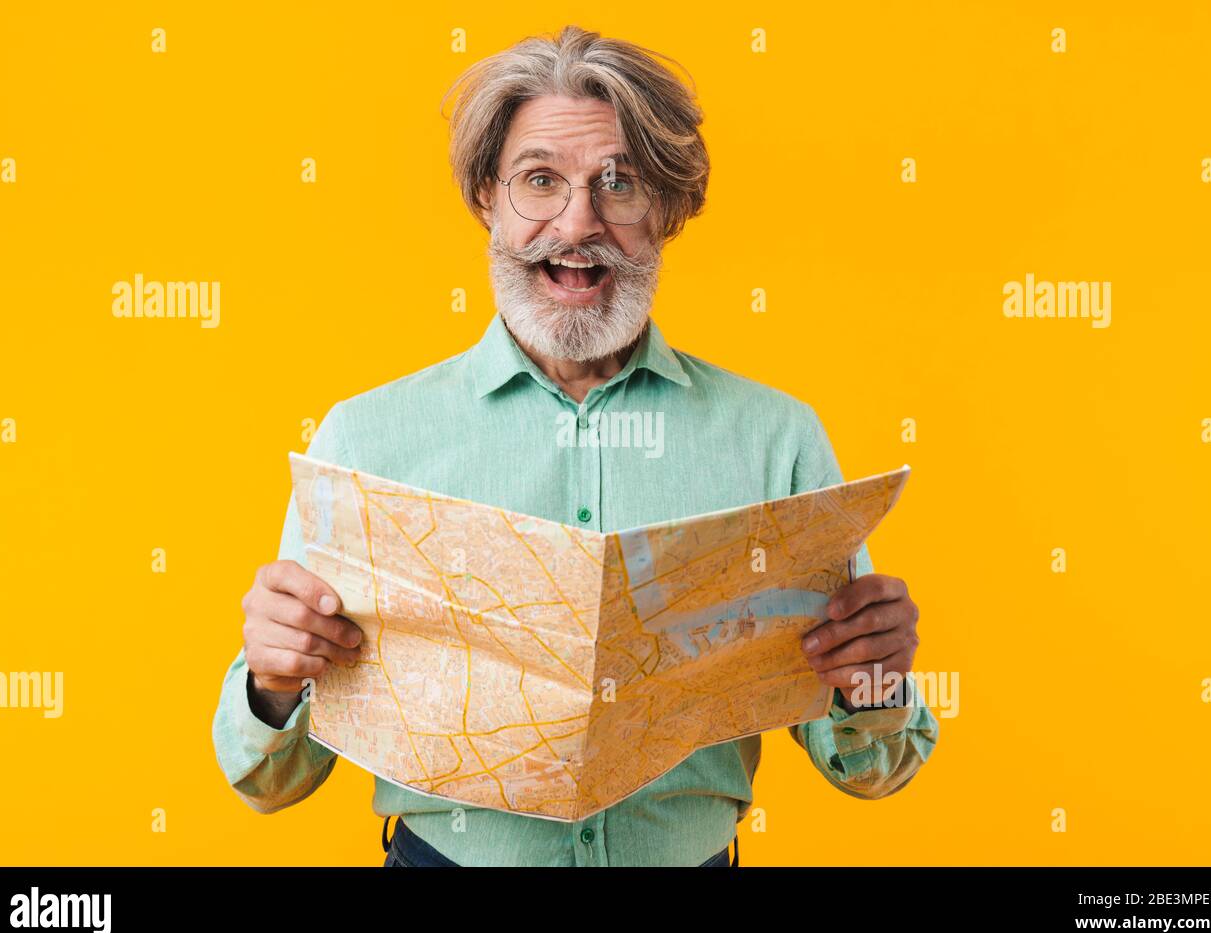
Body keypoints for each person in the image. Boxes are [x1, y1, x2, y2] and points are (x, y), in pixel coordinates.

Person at [213, 24, 939, 867]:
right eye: (540, 181)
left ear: (666, 209)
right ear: (489, 199)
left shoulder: (775, 440)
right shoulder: (366, 440)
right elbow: (270, 779)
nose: (577, 222)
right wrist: (272, 681)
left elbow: (876, 766)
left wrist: (873, 678)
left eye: (619, 184)